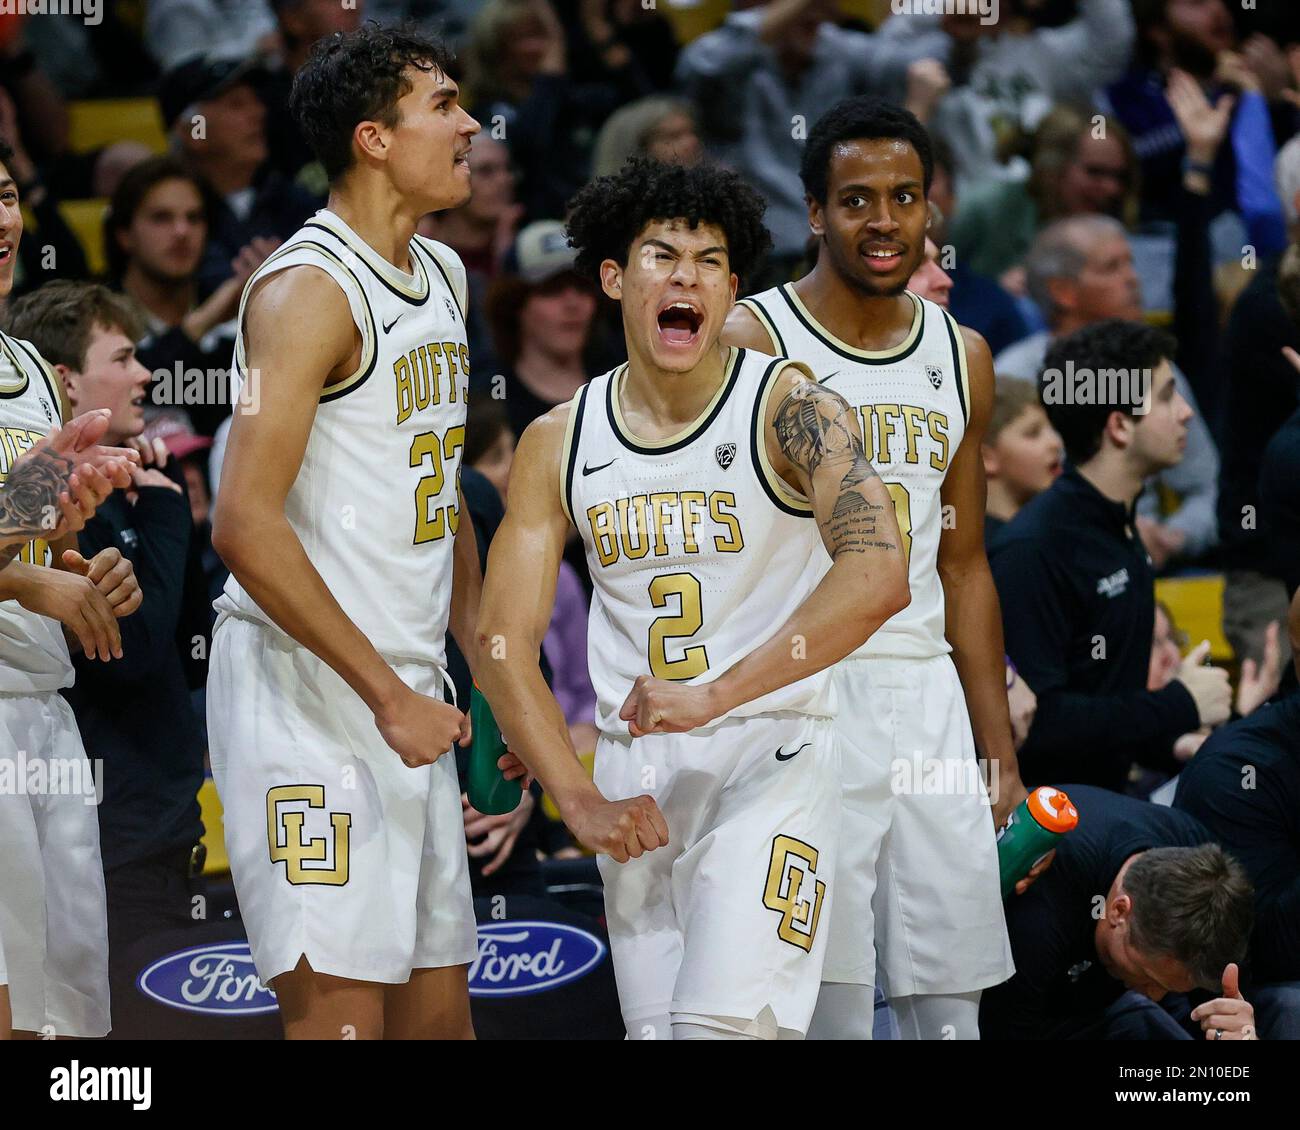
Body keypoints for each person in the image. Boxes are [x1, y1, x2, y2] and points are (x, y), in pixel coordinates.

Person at [475, 156, 909, 1040]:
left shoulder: (791, 406)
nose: (686, 276)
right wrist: (574, 792)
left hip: (774, 754)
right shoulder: (558, 439)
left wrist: (717, 693)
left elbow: (879, 572)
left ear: (732, 286)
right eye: (662, 255)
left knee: (721, 1033)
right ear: (611, 277)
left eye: (710, 261)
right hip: (636, 775)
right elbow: (499, 641)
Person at [207, 24, 489, 1041]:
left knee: (438, 1020)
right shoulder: (307, 290)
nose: (470, 126)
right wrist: (383, 691)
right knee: (341, 1027)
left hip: (406, 686)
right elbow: (242, 521)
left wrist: (483, 663)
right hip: (308, 696)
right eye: (445, 106)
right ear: (373, 138)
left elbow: (442, 489)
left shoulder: (445, 275)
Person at [725, 97, 1026, 1041]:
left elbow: (966, 563)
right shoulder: (755, 337)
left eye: (906, 198)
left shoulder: (962, 353)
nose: (885, 221)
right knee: (832, 1002)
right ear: (814, 212)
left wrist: (998, 749)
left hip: (924, 691)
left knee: (949, 1005)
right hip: (808, 692)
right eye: (857, 200)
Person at [5, 282, 211, 997]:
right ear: (71, 379)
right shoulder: (71, 475)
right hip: (94, 807)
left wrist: (117, 541)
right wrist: (163, 520)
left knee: (68, 1017)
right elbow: (122, 655)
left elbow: (186, 638)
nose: (144, 374)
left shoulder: (33, 386)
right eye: (122, 356)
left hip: (87, 759)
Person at [0, 140, 142, 1040]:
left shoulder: (26, 368)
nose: (1, 220)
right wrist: (24, 562)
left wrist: (84, 570)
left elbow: (48, 543)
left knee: (74, 1017)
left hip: (43, 713)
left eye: (7, 194)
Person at [990, 320, 1232, 793]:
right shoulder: (1034, 550)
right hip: (1051, 821)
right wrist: (1178, 705)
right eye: (1166, 397)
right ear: (1120, 425)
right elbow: (1039, 726)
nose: (1185, 412)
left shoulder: (1119, 527)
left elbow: (1105, 705)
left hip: (1109, 794)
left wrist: (1172, 743)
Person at [995, 216, 1220, 568]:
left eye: (1130, 263)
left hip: (1148, 565)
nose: (1133, 278)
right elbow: (992, 497)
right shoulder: (1015, 376)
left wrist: (1171, 537)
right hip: (1046, 565)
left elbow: (1210, 488)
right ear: (1062, 292)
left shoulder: (1156, 373)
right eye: (1112, 267)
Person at [980, 784, 1257, 1041]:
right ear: (1118, 911)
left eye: (1168, 986)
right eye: (1148, 977)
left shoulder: (1211, 888)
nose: (1154, 996)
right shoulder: (1039, 909)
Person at [674, 0, 929, 276]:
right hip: (752, 249)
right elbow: (702, 64)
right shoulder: (733, 62)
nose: (811, 18)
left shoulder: (834, 49)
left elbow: (916, 65)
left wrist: (951, 20)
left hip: (829, 244)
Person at [107, 155, 273, 437]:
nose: (182, 232)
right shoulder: (99, 317)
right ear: (124, 234)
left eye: (194, 218)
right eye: (162, 218)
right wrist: (203, 321)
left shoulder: (234, 321)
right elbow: (122, 390)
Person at [157, 53, 316, 298]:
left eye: (256, 101)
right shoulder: (163, 218)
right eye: (236, 104)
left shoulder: (300, 204)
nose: (258, 113)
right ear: (193, 132)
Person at [982, 379, 1063, 545]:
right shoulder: (985, 553)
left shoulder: (1052, 526)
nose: (1055, 443)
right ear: (986, 458)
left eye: (1051, 429)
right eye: (1033, 433)